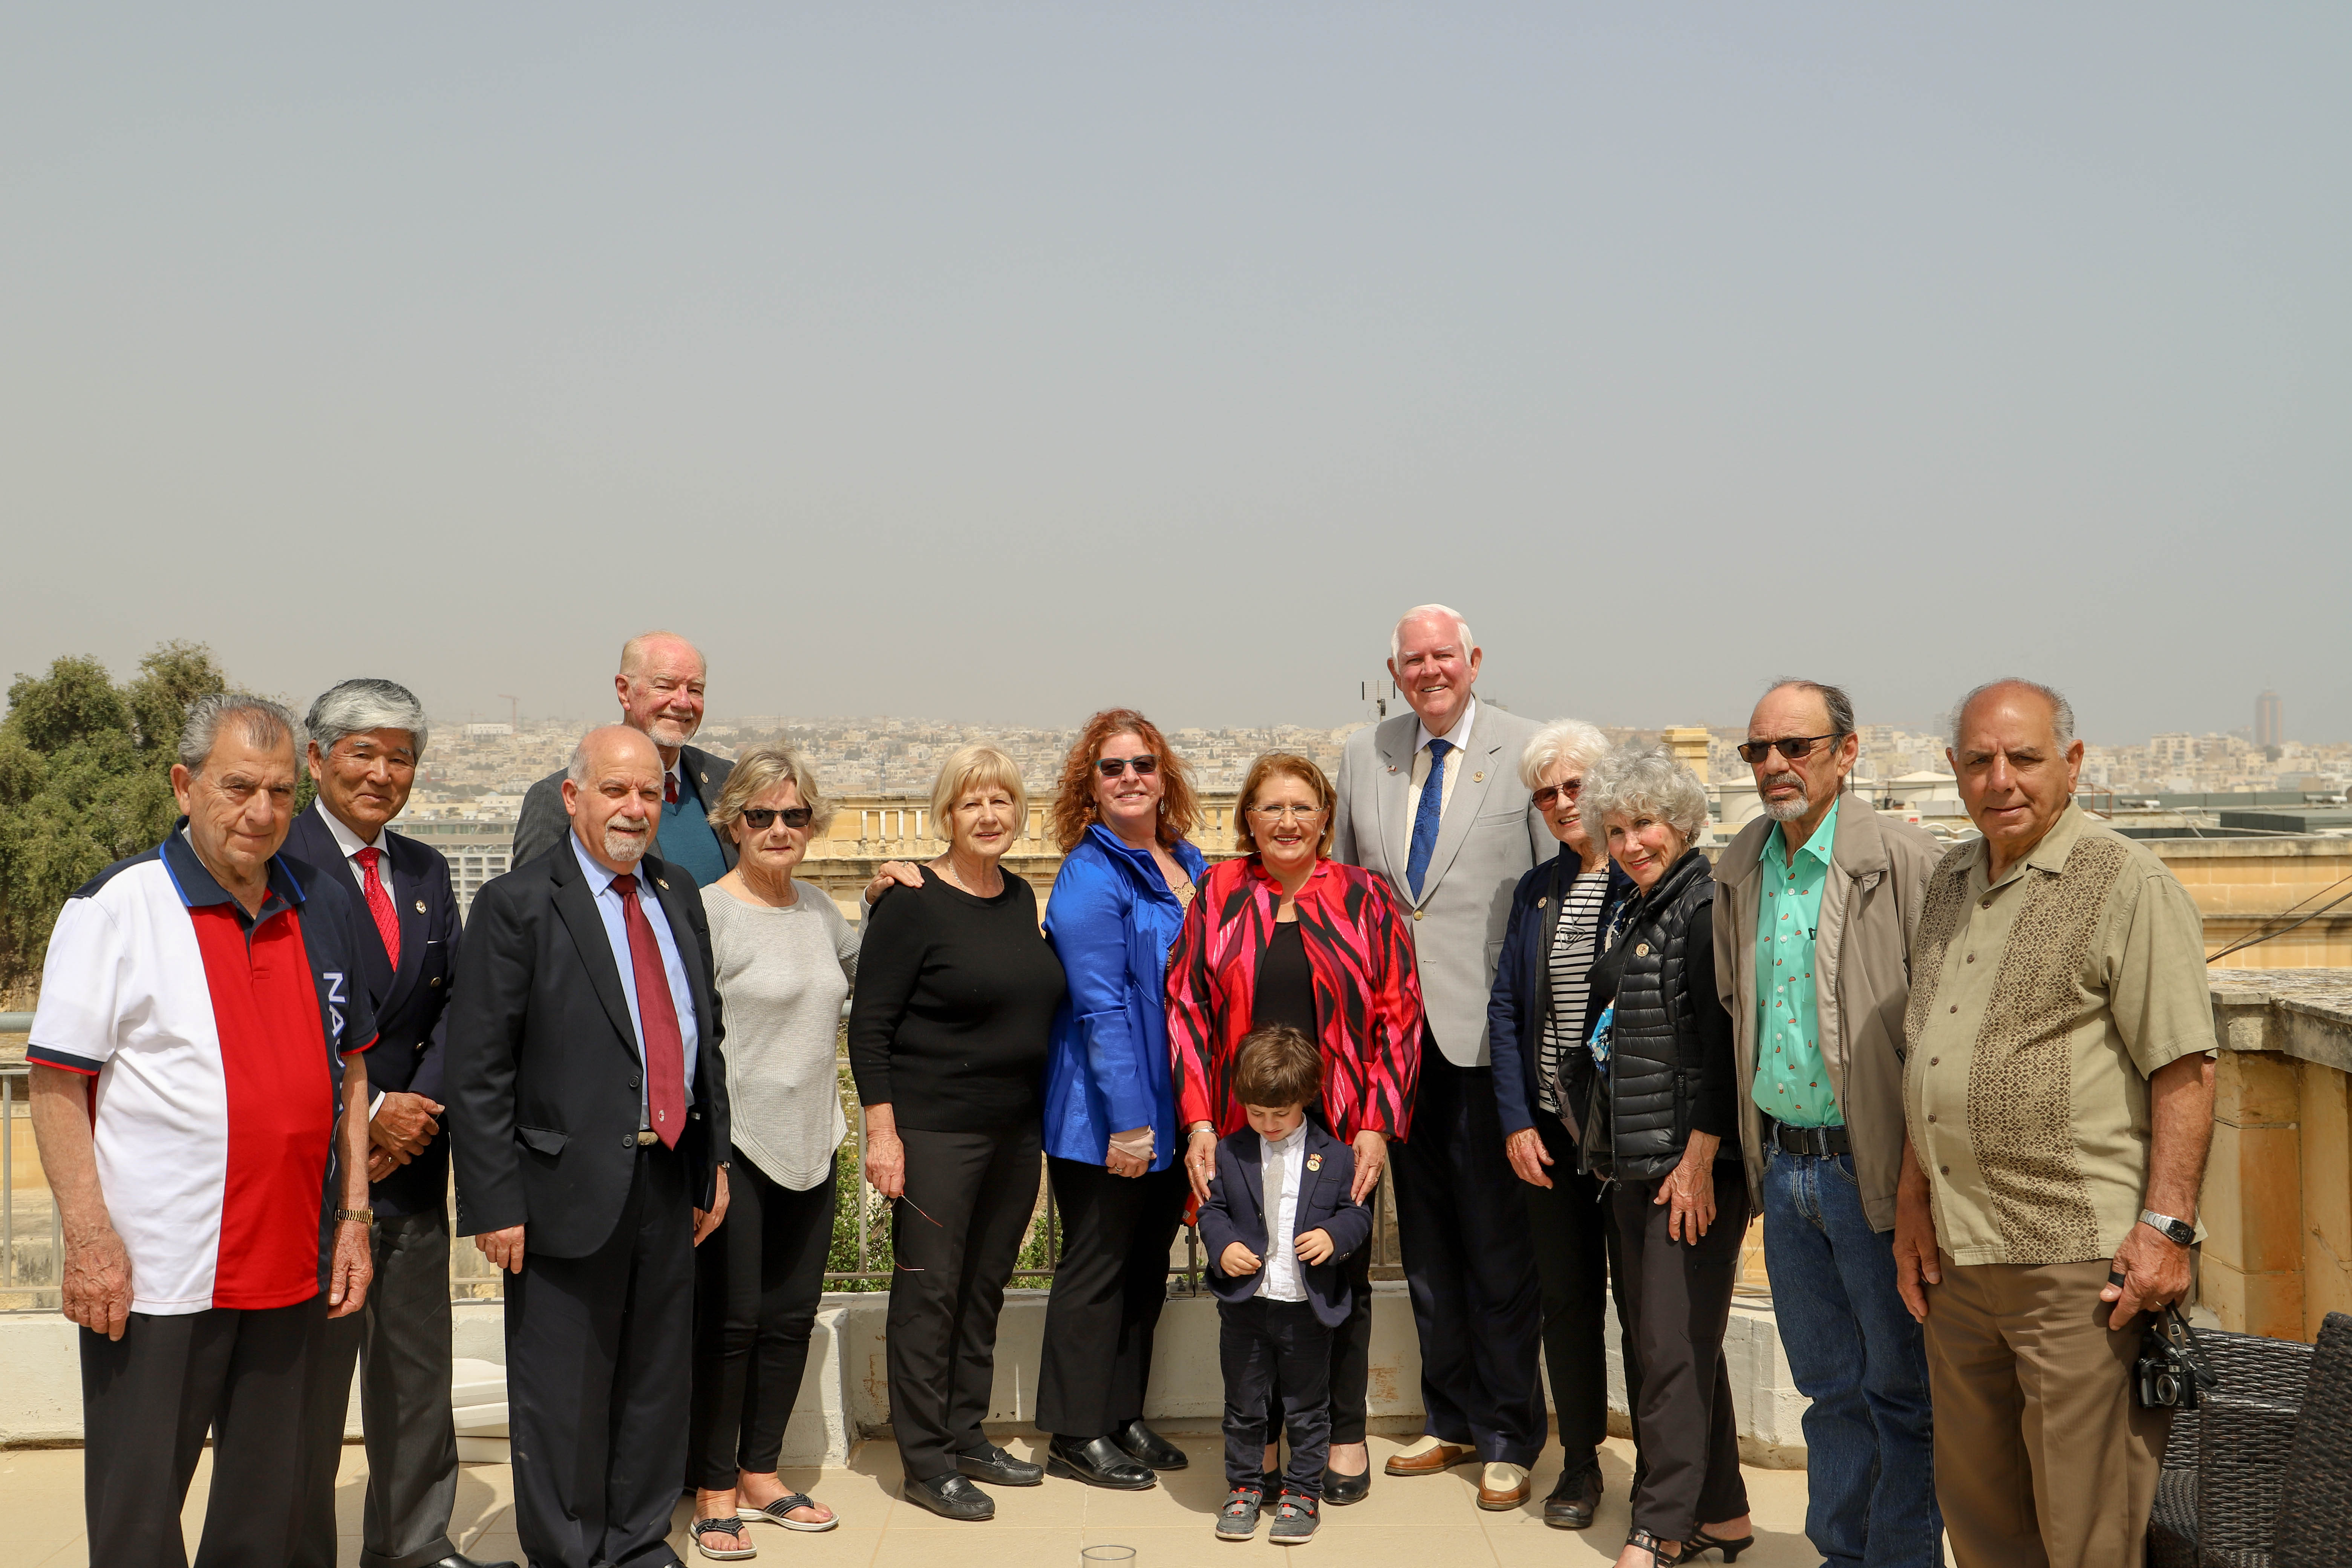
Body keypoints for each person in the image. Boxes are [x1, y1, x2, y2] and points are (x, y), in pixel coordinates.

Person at [26, 694, 380, 1568]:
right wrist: (89, 1241)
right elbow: (57, 1082)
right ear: (185, 786)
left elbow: (355, 1068)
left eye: (278, 792)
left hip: (292, 1265)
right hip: (157, 1271)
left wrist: (356, 1219)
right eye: (236, 787)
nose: (260, 813)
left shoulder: (321, 902)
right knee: (139, 1510)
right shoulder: (117, 906)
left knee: (269, 1512)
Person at [1893, 679, 2217, 1568]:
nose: (2000, 779)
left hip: (2077, 1267)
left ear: (2070, 764)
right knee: (1982, 1517)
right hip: (1960, 1264)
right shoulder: (1952, 879)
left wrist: (2165, 1231)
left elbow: (2184, 1068)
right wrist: (1913, 1201)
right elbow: (1928, 1052)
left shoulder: (2126, 882)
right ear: (1953, 769)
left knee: (2085, 1531)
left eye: (2024, 758)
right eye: (1978, 760)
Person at [446, 724, 733, 1568]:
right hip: (559, 1189)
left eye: (648, 793)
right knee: (564, 1393)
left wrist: (712, 1158)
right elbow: (480, 1068)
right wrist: (495, 1202)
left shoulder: (679, 891)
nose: (633, 808)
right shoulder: (518, 904)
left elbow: (699, 1035)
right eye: (615, 790)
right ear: (573, 797)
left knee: (653, 1381)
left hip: (668, 1174)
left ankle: (639, 1541)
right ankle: (571, 1553)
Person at [1711, 680, 1943, 1568]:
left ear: (1847, 752)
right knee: (1828, 1392)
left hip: (1874, 1173)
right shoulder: (1740, 866)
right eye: (1757, 751)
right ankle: (1842, 1554)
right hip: (1787, 1170)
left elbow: (1938, 1028)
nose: (1774, 765)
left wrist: (1917, 1182)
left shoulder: (1907, 863)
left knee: (1897, 1388)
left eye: (1794, 747)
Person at [1330, 603, 1550, 1509]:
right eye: (1412, 659)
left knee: (1499, 1250)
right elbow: (1344, 886)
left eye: (1442, 656)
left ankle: (1510, 1430)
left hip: (1487, 1045)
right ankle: (1449, 1414)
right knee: (1423, 1246)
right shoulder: (1365, 751)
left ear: (1474, 660)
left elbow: (1554, 889)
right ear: (1393, 668)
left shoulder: (1527, 748)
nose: (1428, 671)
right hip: (1392, 1049)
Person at [288, 679, 505, 1568]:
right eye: (363, 752)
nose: (382, 772)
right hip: (311, 1170)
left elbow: (458, 1000)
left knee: (416, 1375)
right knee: (301, 1384)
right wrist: (368, 1112)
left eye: (401, 757)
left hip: (411, 1165)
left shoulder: (422, 869)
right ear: (317, 759)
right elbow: (280, 1008)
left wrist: (411, 1113)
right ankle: (293, 1546)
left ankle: (415, 1545)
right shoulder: (280, 854)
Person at [1169, 750, 1422, 1505]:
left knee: (1336, 1271)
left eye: (1301, 808)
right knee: (1252, 1274)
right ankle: (1267, 1435)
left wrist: (1376, 1123)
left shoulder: (1363, 896)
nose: (1286, 821)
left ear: (1325, 819)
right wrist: (1200, 1120)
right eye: (1270, 808)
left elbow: (1398, 1013)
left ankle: (1345, 1433)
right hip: (1242, 1126)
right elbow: (1184, 1009)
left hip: (1340, 1124)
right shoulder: (1217, 892)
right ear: (1248, 819)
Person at [847, 745, 1068, 1522]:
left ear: (1019, 812)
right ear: (946, 812)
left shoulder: (1018, 896)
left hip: (1015, 1131)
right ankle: (926, 1461)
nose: (988, 816)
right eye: (972, 803)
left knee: (982, 1288)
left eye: (1001, 801)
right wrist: (883, 1133)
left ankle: (965, 1431)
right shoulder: (909, 900)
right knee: (928, 1295)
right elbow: (869, 1026)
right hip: (936, 1129)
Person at [1579, 742, 1754, 1568]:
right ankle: (1720, 1511)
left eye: (1643, 824)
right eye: (1615, 829)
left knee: (1670, 1352)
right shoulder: (1644, 903)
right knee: (1672, 1342)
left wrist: (1699, 1157)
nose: (1629, 842)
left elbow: (1724, 1045)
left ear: (1680, 823)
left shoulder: (1703, 906)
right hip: (1638, 1157)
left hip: (1688, 1168)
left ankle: (1663, 1523)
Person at [685, 746, 858, 1558]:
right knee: (732, 1322)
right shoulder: (709, 913)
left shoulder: (824, 912)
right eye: (762, 815)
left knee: (789, 1321)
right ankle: (713, 1486)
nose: (780, 829)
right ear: (734, 823)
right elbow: (692, 1044)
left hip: (814, 1144)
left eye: (795, 815)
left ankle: (763, 1470)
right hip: (738, 1148)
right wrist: (708, 1156)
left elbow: (878, 987)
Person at [1034, 711, 1208, 1488]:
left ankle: (1122, 1413)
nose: (1131, 776)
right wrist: (1132, 1121)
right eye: (1113, 767)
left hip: (1175, 1104)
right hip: (1111, 1110)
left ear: (1164, 776)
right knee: (1097, 1266)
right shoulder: (1090, 876)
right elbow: (1099, 1006)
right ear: (1091, 786)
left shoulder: (1186, 860)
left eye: (1143, 763)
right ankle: (1075, 1431)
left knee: (1148, 1265)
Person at [1484, 719, 1634, 1531]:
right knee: (1567, 1303)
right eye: (1547, 793)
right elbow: (1508, 1006)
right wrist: (1516, 1119)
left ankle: (1668, 1467)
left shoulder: (1648, 876)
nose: (1562, 802)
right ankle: (1579, 1463)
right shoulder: (1537, 890)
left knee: (1649, 1312)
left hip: (1633, 1140)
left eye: (1576, 786)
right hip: (1551, 1133)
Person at [1199, 1026, 1375, 1548]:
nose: (1269, 1126)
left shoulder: (1336, 1156)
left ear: (1306, 1099)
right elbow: (1213, 1211)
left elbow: (1355, 1214)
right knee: (1245, 1404)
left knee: (1306, 1405)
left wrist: (1333, 1236)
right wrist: (1223, 1244)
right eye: (1257, 1114)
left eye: (1281, 1114)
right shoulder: (1230, 1153)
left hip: (1305, 1308)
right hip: (1247, 1307)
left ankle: (1302, 1494)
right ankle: (1245, 1488)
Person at [511, 631, 737, 885]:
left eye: (695, 690)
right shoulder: (561, 798)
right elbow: (533, 902)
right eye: (665, 686)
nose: (684, 703)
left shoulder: (726, 780)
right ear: (624, 691)